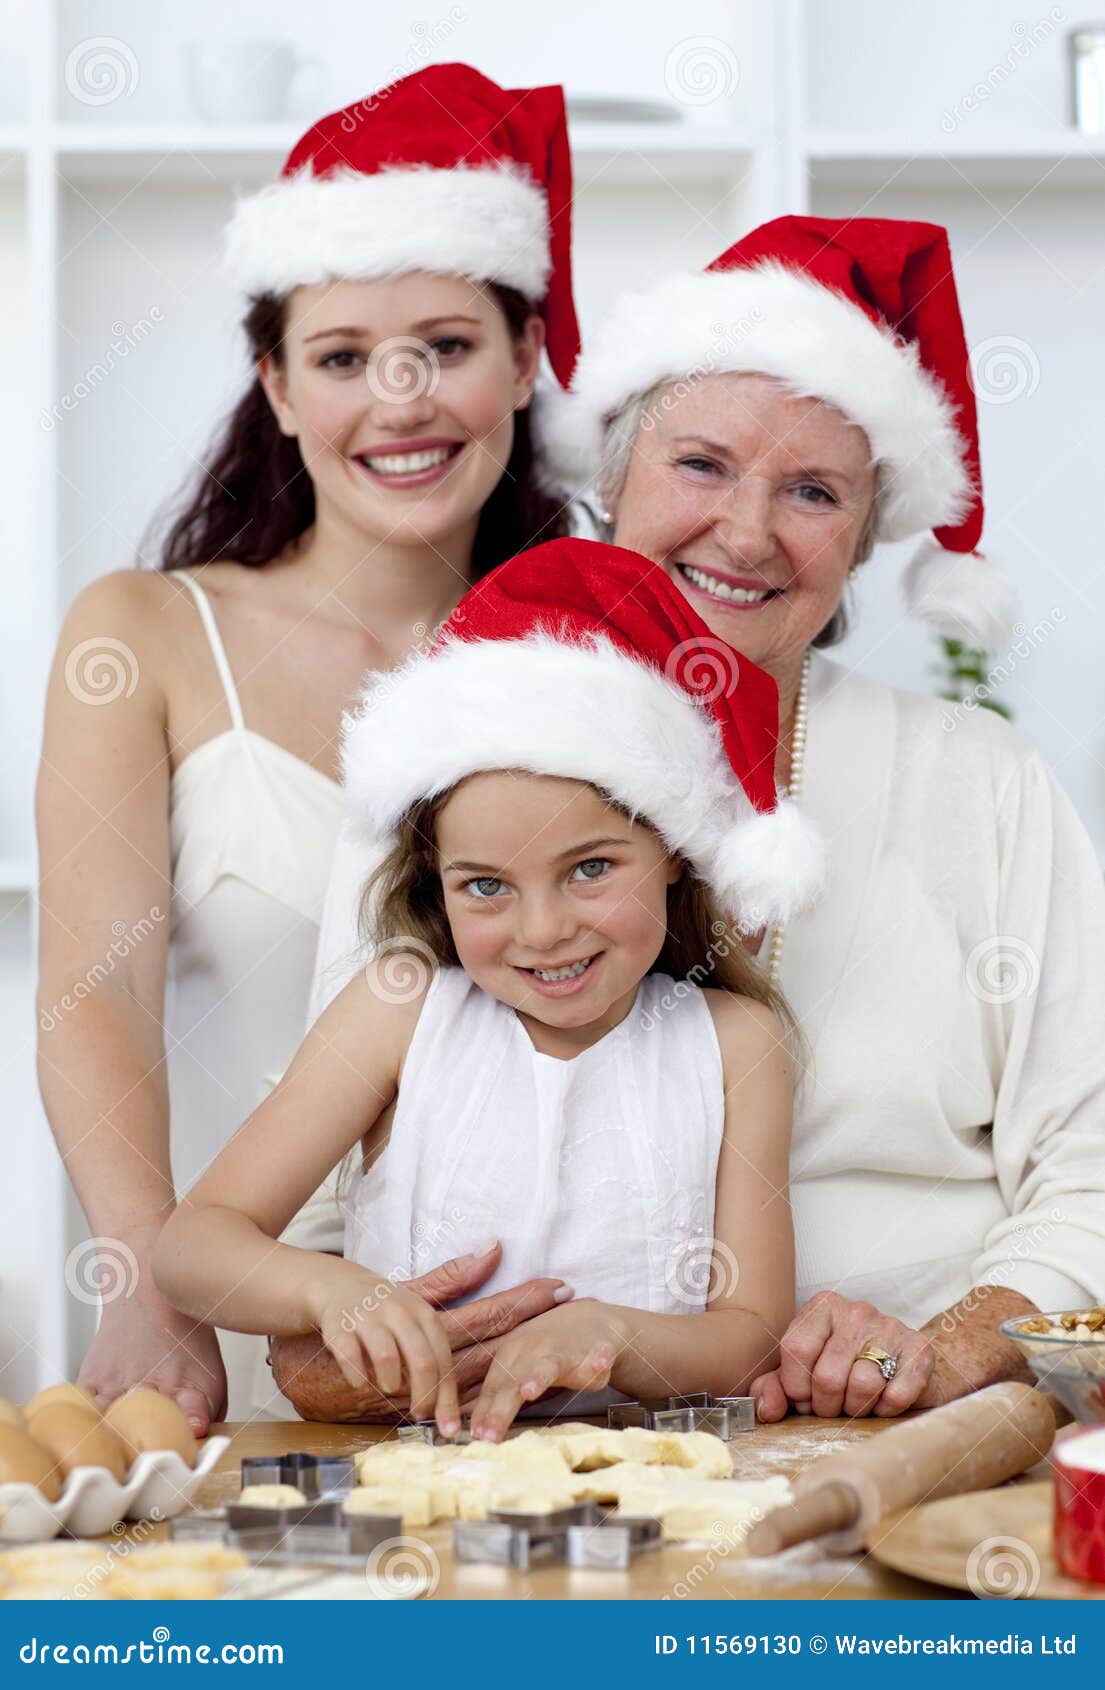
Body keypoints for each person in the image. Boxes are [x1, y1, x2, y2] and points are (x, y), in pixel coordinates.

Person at [297, 214, 1105, 1426]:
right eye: (702, 465)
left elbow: (1092, 1166)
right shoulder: (453, 759)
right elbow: (313, 1219)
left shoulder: (984, 781)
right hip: (524, 1442)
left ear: (869, 527)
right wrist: (393, 1348)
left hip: (910, 1430)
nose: (745, 531)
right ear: (612, 481)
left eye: (813, 490)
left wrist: (942, 1346)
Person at [35, 62, 582, 1430]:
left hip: (535, 1360)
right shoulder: (146, 633)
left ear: (524, 361)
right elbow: (98, 990)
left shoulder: (597, 657)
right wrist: (152, 1283)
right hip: (227, 1360)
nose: (400, 402)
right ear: (275, 386)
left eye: (448, 347)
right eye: (342, 358)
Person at [153, 538, 823, 1440]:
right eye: (485, 886)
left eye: (589, 868)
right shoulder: (399, 1009)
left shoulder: (737, 1042)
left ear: (671, 852)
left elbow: (747, 1337)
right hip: (410, 1484)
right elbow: (194, 1245)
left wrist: (610, 1336)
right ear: (435, 883)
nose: (542, 930)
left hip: (651, 1492)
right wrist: (330, 1290)